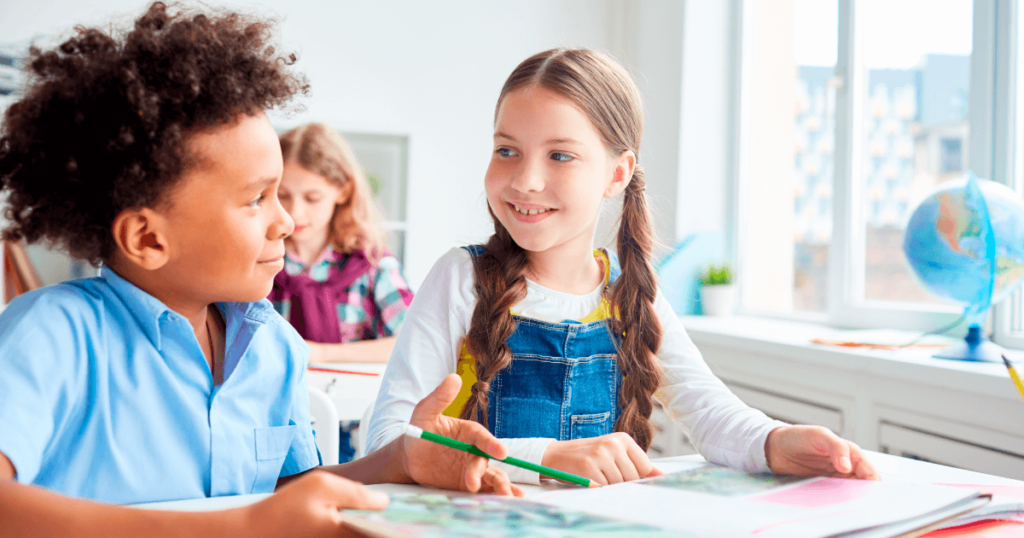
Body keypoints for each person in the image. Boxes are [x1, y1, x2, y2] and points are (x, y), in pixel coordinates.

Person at [0, 4, 518, 537]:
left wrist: (400, 462)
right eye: (257, 200)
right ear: (148, 238)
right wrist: (241, 526)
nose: (288, 221)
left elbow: (284, 497)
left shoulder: (274, 346)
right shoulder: (52, 333)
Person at [366, 48, 879, 486]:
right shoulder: (461, 279)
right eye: (507, 150)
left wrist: (775, 442)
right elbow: (389, 440)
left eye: (560, 156)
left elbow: (708, 411)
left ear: (617, 173)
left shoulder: (632, 294)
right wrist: (545, 459)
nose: (524, 180)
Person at [269, 123, 413, 364]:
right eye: (283, 196)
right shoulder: (261, 259)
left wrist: (322, 354)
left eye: (312, 198)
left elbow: (413, 343)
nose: (295, 212)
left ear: (343, 191)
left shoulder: (373, 263)